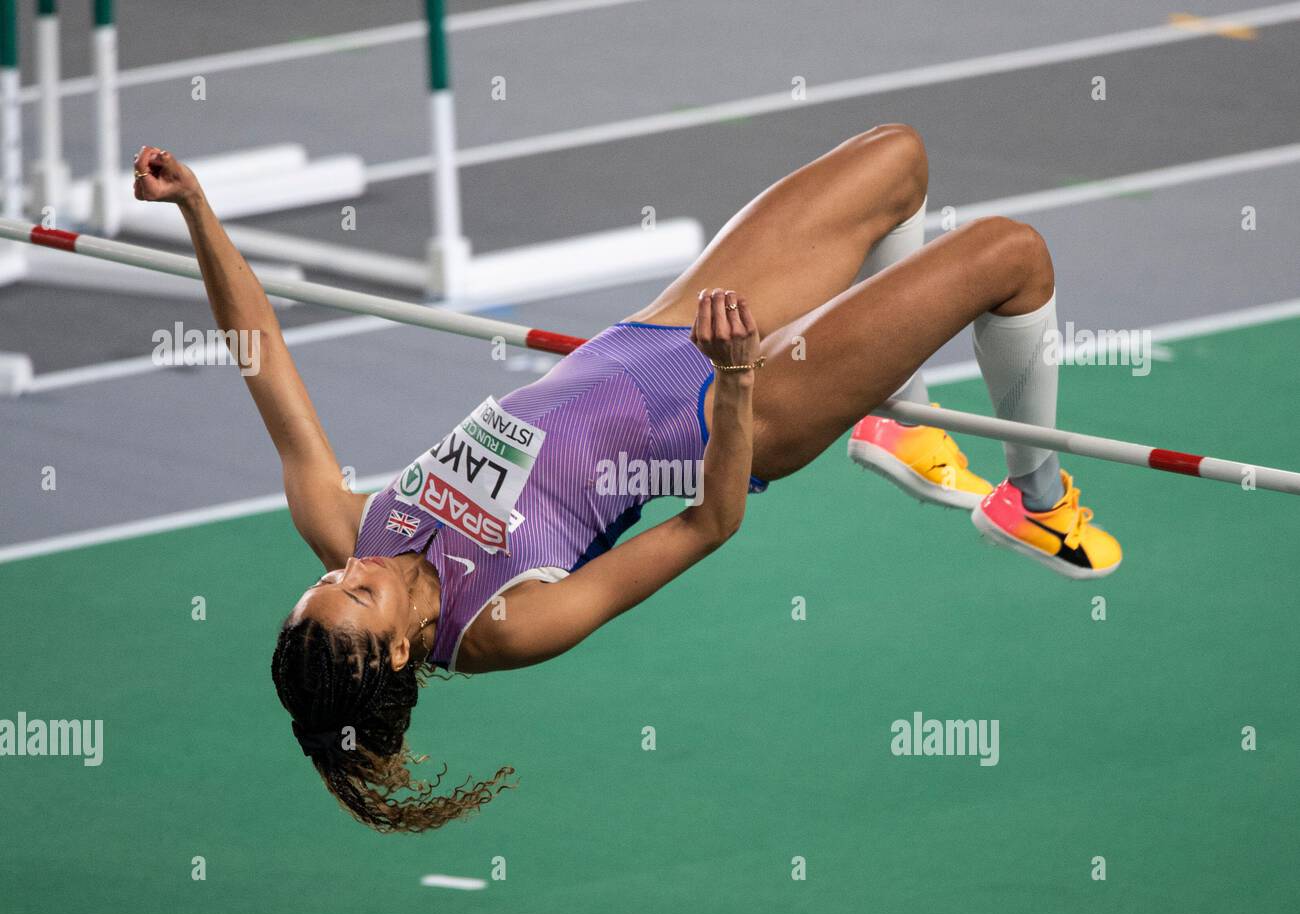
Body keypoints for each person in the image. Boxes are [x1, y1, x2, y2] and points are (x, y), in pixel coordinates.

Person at [131, 124, 1119, 831]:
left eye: (331, 578)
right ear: (395, 655)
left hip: (661, 328)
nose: (357, 566)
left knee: (897, 161)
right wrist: (736, 383)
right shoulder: (508, 624)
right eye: (358, 595)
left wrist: (198, 212)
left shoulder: (350, 529)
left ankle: (893, 412)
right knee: (1009, 255)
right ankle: (1037, 501)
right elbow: (707, 526)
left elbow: (258, 352)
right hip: (732, 409)